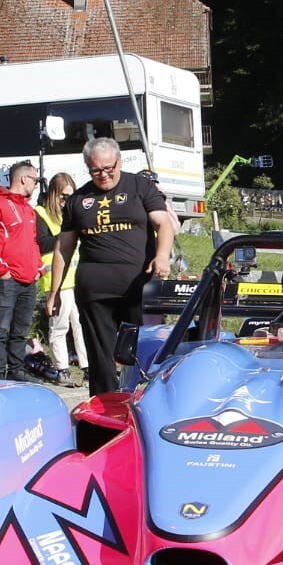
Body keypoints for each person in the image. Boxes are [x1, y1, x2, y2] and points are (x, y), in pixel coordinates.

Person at [48, 137, 176, 397]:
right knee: (100, 357)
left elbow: (163, 224)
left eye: (109, 168)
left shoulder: (140, 186)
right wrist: (55, 292)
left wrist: (162, 256)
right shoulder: (79, 199)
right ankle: (105, 405)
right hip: (95, 290)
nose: (103, 175)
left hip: (138, 287)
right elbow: (64, 248)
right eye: (96, 170)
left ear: (119, 161)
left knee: (143, 349)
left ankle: (143, 400)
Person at [0, 161, 43, 381]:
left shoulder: (29, 210)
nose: (36, 184)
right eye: (35, 180)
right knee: (0, 328)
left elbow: (32, 241)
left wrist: (38, 267)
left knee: (21, 329)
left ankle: (16, 370)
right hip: (7, 279)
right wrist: (1, 268)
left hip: (29, 279)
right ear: (23, 179)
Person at [35, 172, 88, 382]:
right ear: (53, 194)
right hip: (57, 280)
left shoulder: (71, 214)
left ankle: (87, 366)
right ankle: (61, 368)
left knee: (81, 325)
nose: (66, 201)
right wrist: (66, 237)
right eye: (63, 196)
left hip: (76, 278)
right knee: (59, 326)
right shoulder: (41, 213)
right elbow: (42, 243)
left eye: (70, 197)